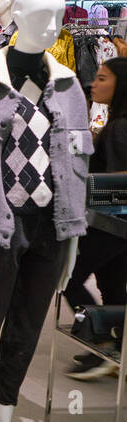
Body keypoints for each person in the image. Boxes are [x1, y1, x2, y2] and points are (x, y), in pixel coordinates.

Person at [64, 57, 127, 380]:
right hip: (115, 224)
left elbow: (119, 177)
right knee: (112, 284)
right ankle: (114, 349)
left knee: (69, 277)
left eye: (102, 78)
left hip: (110, 222)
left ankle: (99, 341)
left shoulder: (120, 128)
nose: (94, 83)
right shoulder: (118, 122)